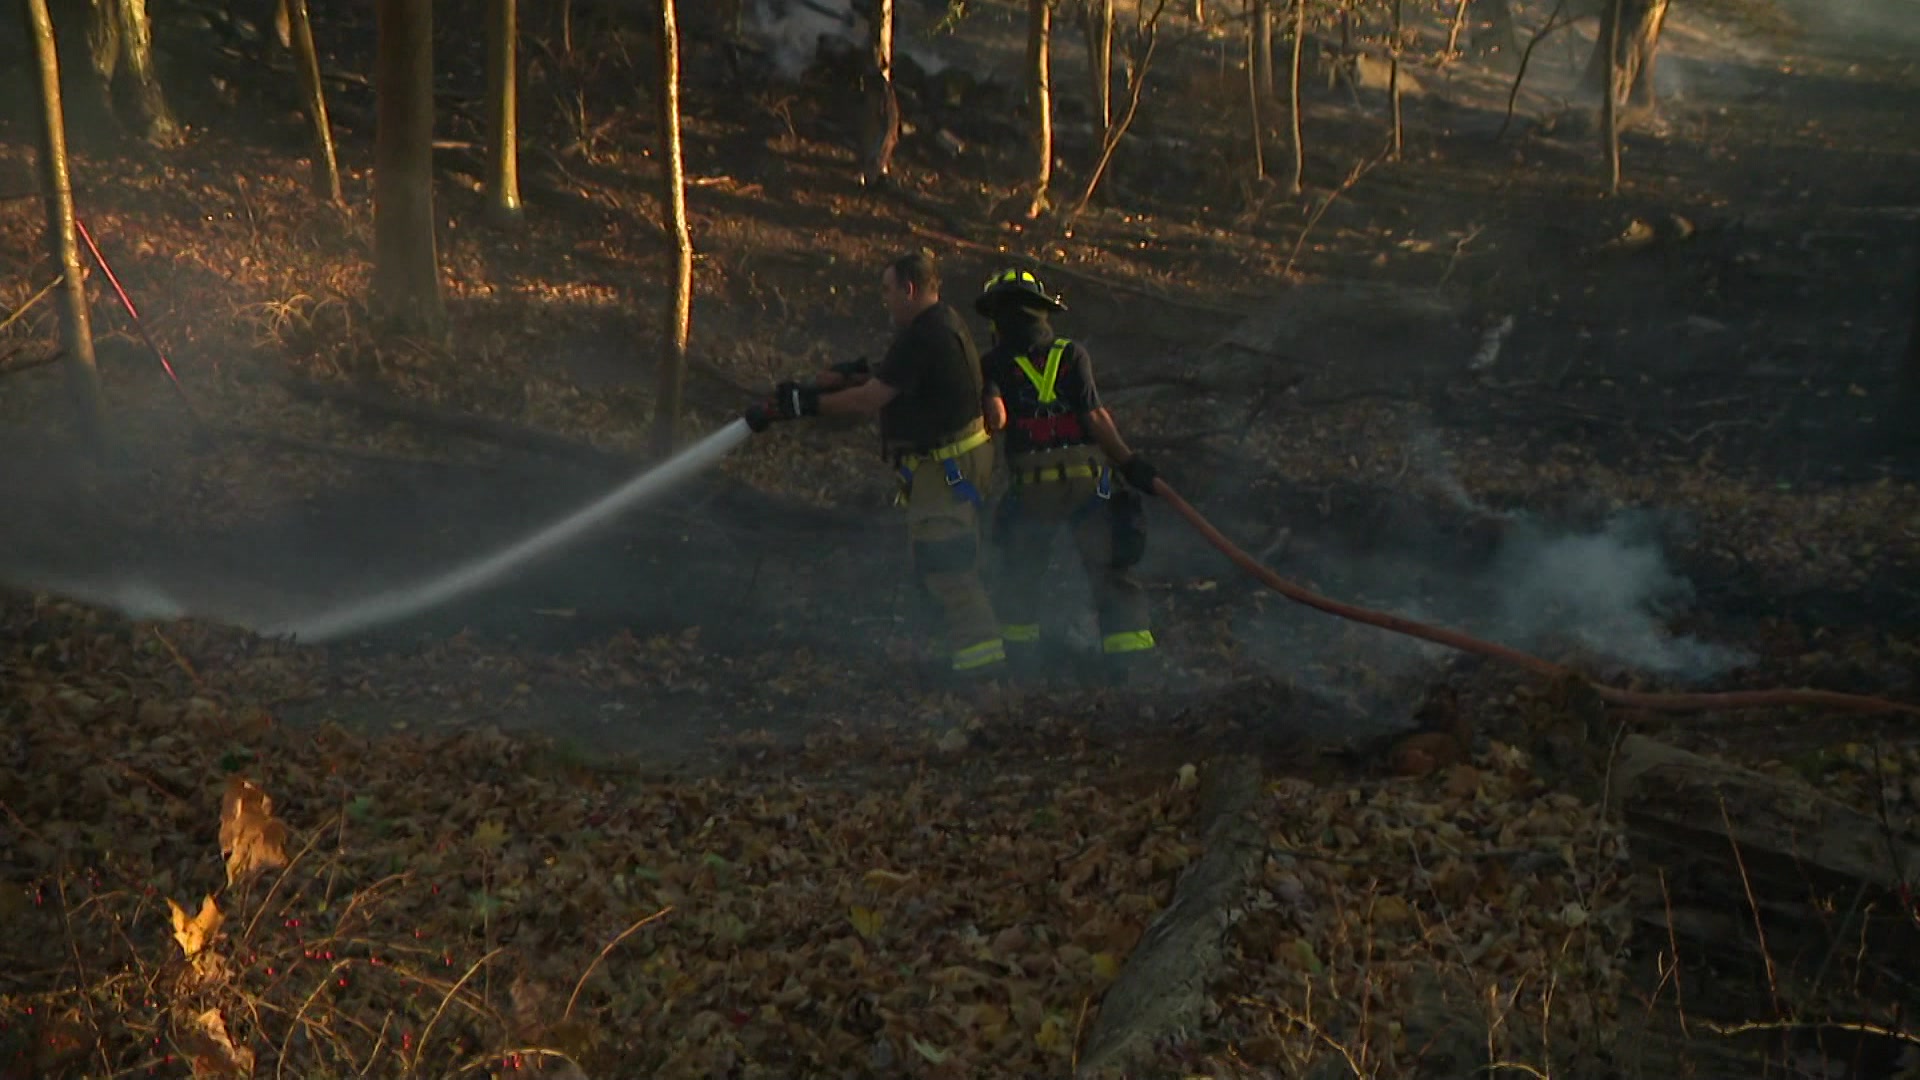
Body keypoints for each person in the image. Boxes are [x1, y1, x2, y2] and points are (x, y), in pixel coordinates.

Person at [744, 251, 1005, 679]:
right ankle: (963, 661)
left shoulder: (926, 334)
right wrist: (850, 376)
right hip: (951, 467)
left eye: (887, 290)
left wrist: (803, 405)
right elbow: (898, 376)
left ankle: (984, 675)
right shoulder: (937, 323)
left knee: (948, 570)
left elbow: (873, 399)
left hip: (946, 472)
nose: (883, 299)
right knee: (941, 565)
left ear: (908, 289)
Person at [972, 267, 1162, 683]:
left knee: (1019, 575)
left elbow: (996, 421)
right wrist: (1130, 462)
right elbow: (1095, 416)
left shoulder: (993, 363)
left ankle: (1020, 665)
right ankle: (1129, 667)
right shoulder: (1072, 353)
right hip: (1088, 485)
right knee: (1111, 574)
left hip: (1033, 491)